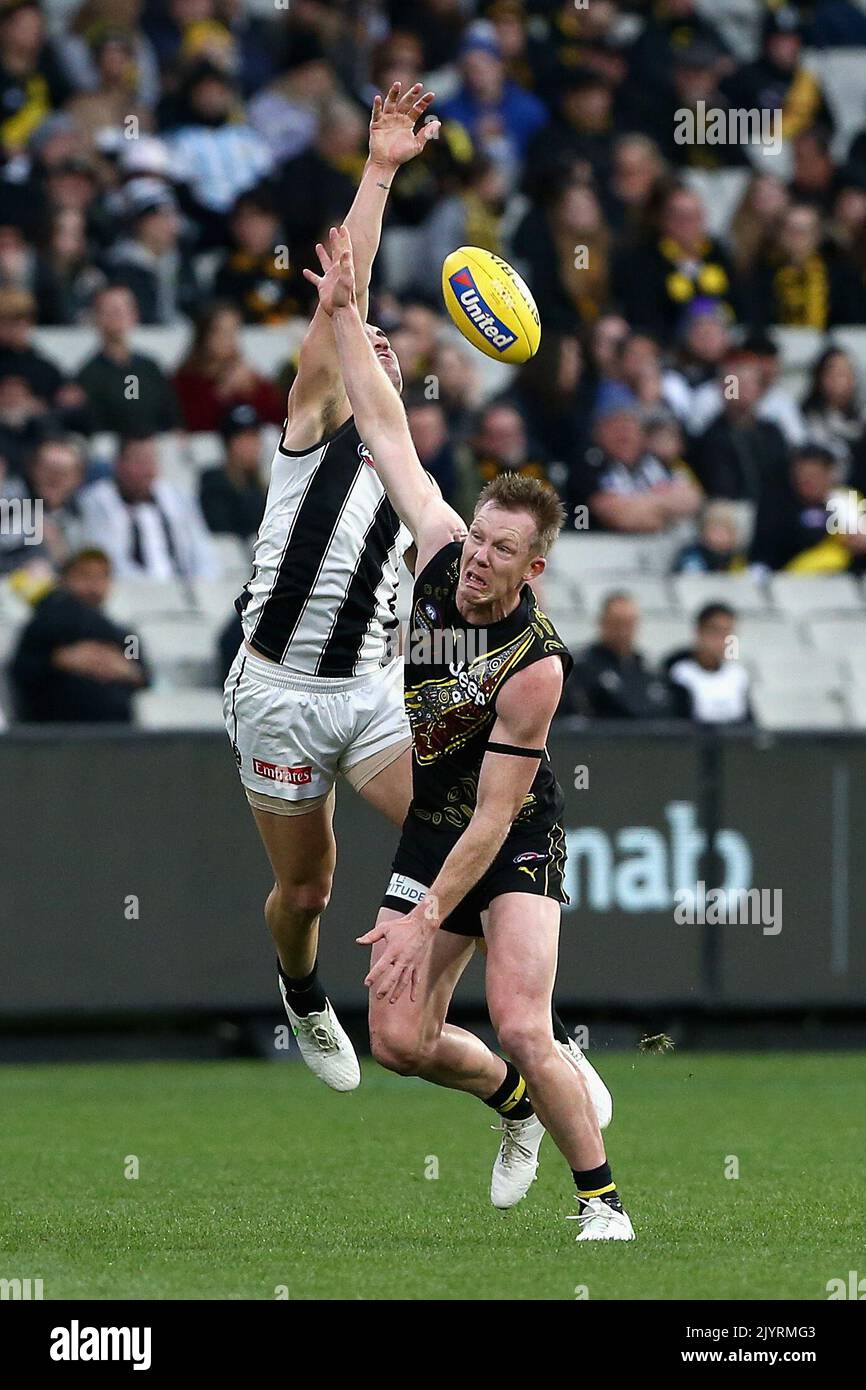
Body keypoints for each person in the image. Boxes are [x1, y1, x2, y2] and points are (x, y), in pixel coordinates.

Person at [304, 223, 632, 1241]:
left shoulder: (535, 665)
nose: (479, 558)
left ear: (535, 568)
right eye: (479, 536)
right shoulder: (440, 550)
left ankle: (602, 1204)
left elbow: (491, 822)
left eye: (502, 551)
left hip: (510, 833)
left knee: (524, 1020)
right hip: (434, 828)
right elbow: (385, 426)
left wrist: (418, 915)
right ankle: (518, 1107)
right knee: (398, 1037)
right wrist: (345, 311)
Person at [10, 547, 148, 723]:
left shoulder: (125, 635)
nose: (93, 585)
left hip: (118, 734)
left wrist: (123, 668)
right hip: (57, 732)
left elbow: (141, 670)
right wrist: (61, 659)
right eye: (84, 576)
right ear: (65, 580)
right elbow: (23, 669)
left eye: (102, 577)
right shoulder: (45, 625)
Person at [78, 433, 218, 580]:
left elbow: (203, 551)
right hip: (129, 591)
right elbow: (108, 558)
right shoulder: (97, 501)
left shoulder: (177, 498)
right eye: (139, 462)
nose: (148, 470)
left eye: (151, 461)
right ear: (119, 464)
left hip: (183, 588)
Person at [563, 592, 678, 720]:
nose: (623, 631)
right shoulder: (581, 667)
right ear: (602, 622)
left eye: (629, 624)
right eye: (617, 623)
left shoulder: (648, 670)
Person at [665, 603, 752, 724]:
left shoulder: (738, 675)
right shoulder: (680, 673)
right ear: (699, 632)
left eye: (727, 633)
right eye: (715, 631)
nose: (722, 640)